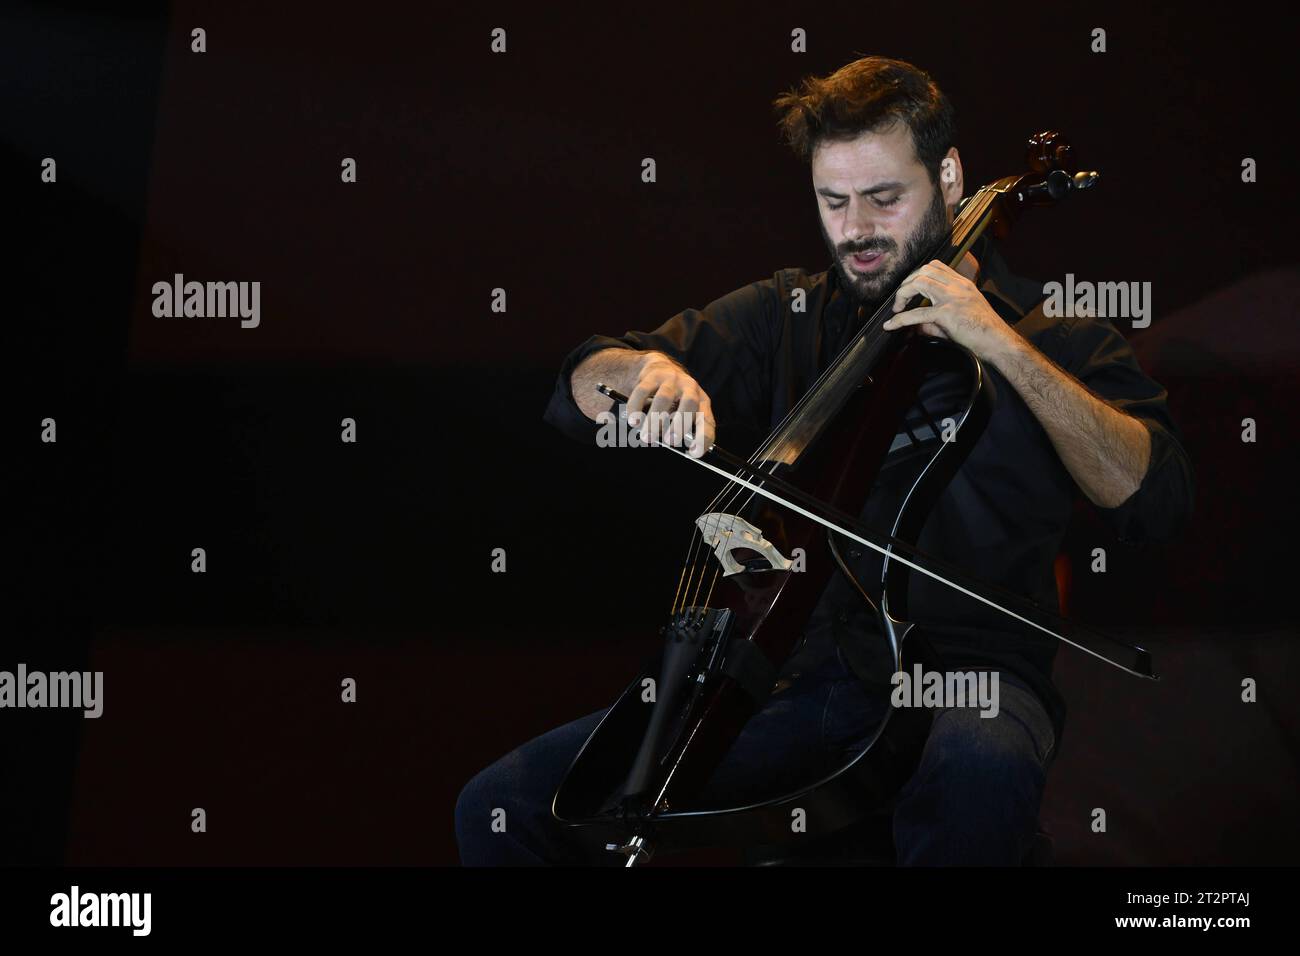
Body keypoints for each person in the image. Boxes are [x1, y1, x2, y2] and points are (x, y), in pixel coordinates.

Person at [455, 55, 1194, 866]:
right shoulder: (789, 312)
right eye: (832, 201)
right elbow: (581, 385)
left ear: (949, 177)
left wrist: (997, 343)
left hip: (972, 681)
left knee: (974, 768)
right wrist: (638, 374)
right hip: (795, 681)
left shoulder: (1060, 338)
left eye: (884, 198)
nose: (855, 229)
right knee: (506, 805)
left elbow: (1149, 497)